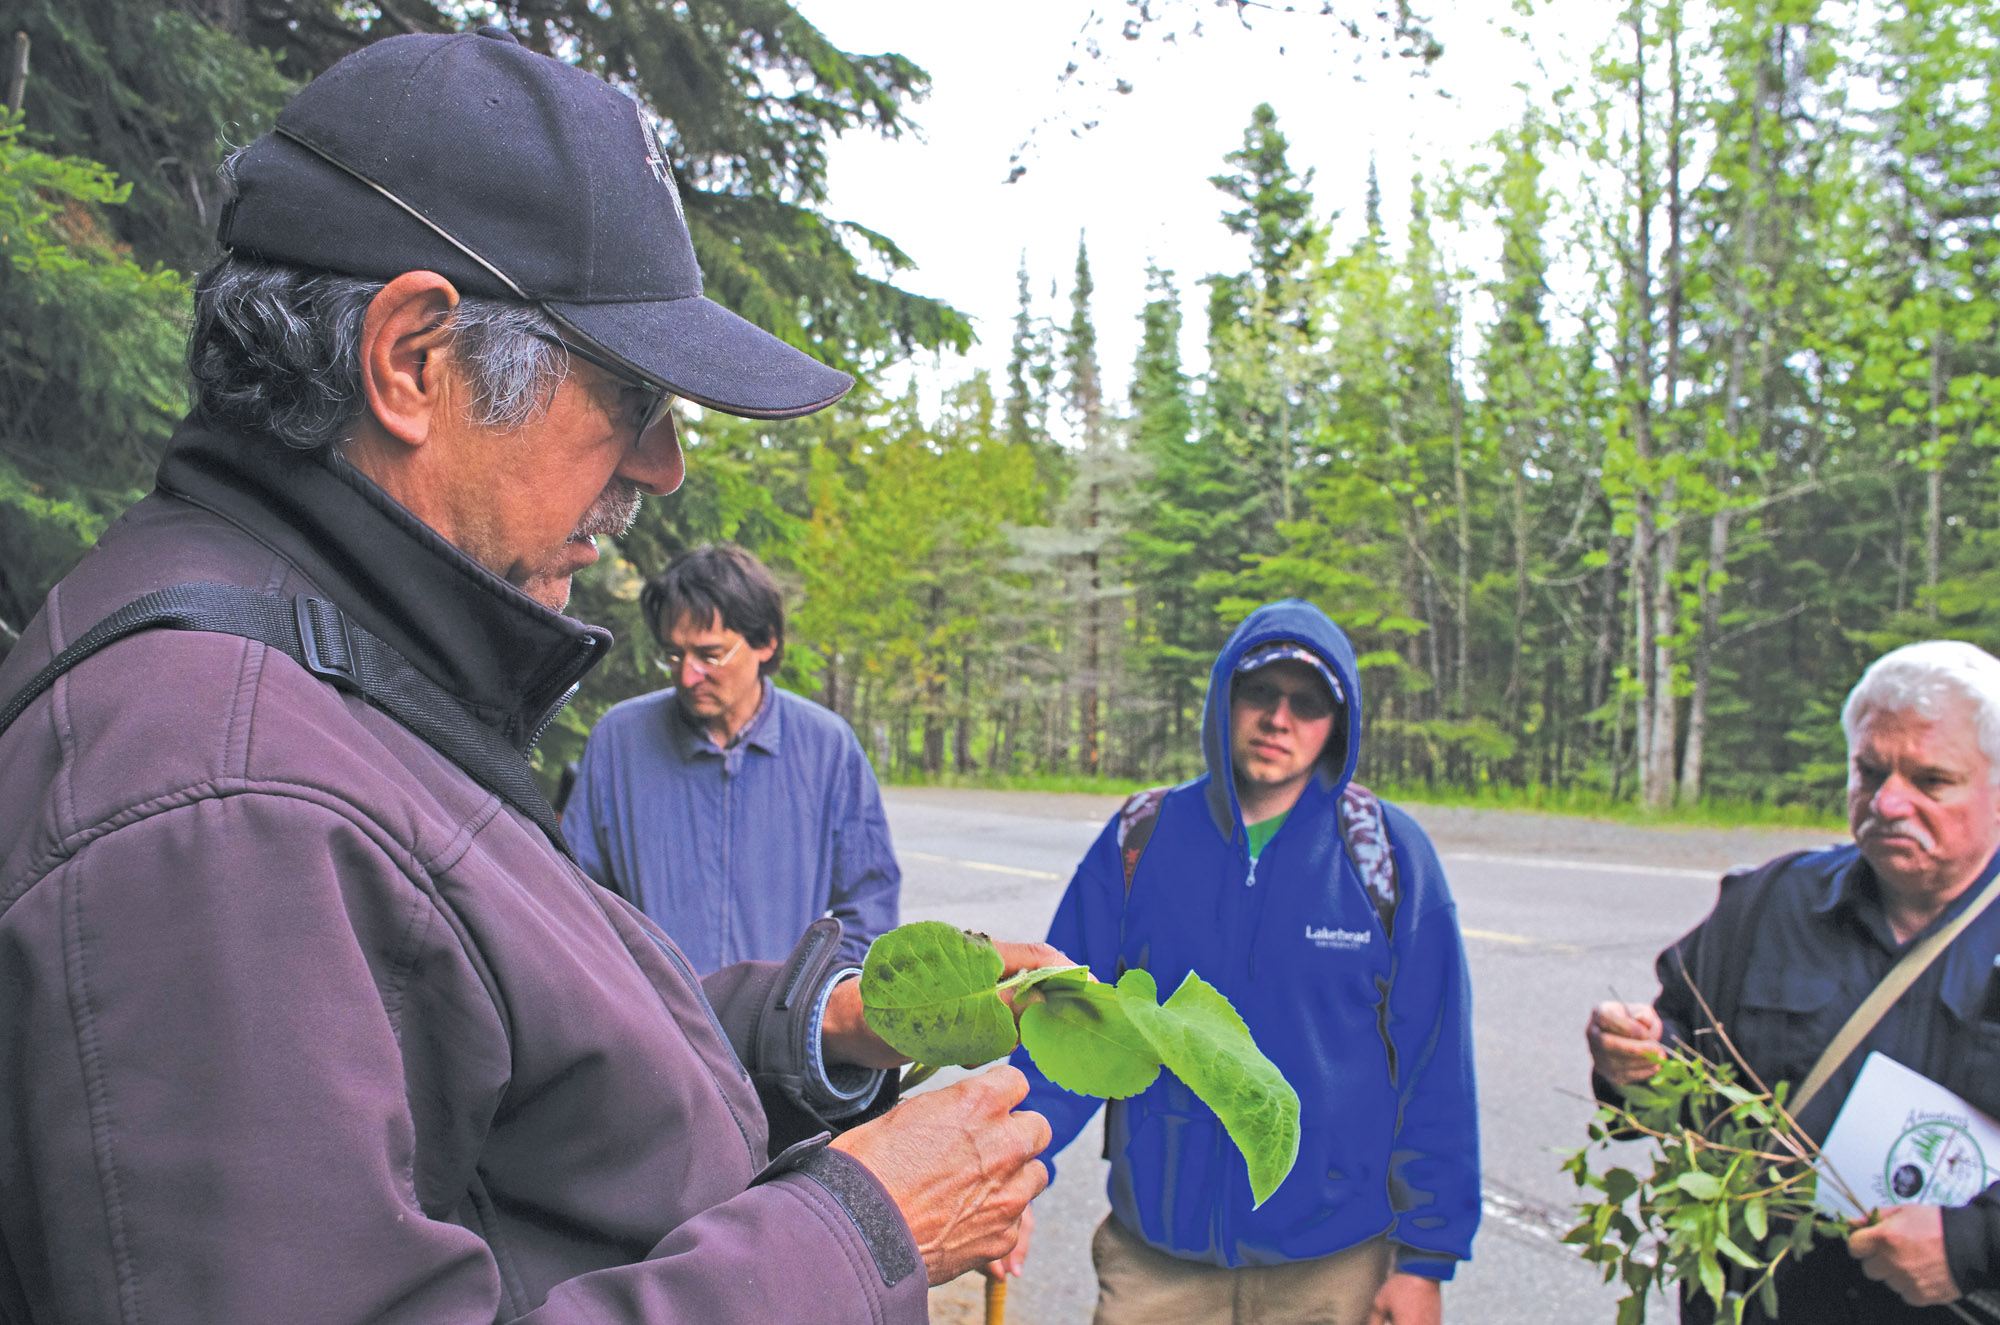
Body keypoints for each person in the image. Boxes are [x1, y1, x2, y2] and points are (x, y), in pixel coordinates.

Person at [0, 29, 1058, 1323]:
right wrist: (858, 1234)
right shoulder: (220, 806)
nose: (663, 464)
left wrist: (815, 1025)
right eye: (628, 393)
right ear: (412, 362)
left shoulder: (328, 669)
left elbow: (493, 1058)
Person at [1006, 599, 1480, 1325]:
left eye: (1308, 702)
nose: (1279, 718)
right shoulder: (1141, 839)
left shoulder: (1385, 857)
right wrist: (1014, 1174)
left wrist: (1424, 1261)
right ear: (1226, 696)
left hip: (1333, 1267)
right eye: (1260, 691)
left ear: (1339, 723)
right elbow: (1065, 1030)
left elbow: (1434, 1066)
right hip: (1157, 1262)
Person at [1587, 640, 2000, 1323]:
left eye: (1930, 779)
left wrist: (1974, 1244)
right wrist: (1635, 1064)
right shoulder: (1766, 904)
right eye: (1869, 771)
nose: (1888, 800)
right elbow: (1689, 1077)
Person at [564, 543, 898, 972]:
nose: (687, 675)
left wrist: (810, 1002)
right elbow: (576, 897)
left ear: (765, 643)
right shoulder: (620, 739)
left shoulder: (827, 746)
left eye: (710, 654)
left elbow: (870, 904)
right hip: (655, 1025)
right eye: (673, 654)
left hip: (778, 1032)